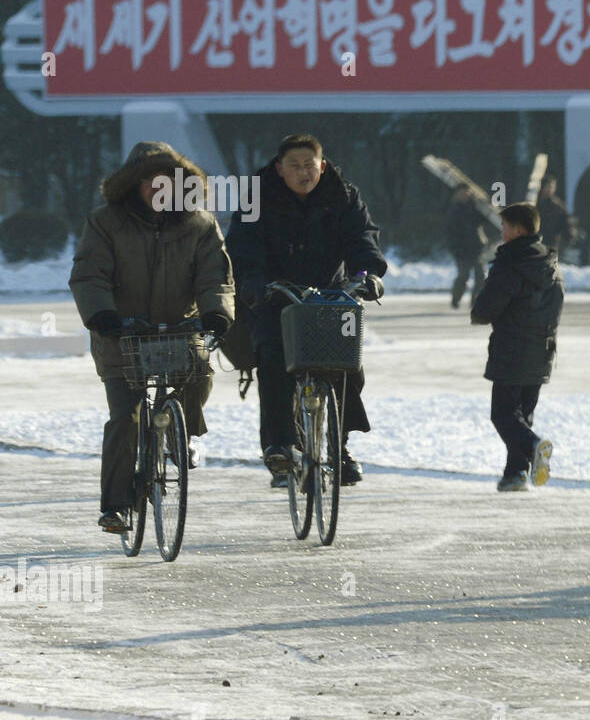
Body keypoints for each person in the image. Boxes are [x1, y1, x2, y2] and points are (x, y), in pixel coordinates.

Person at [69, 141, 235, 533]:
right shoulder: (105, 222)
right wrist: (103, 315)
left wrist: (216, 313)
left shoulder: (200, 223)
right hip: (121, 336)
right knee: (126, 417)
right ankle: (116, 505)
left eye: (168, 180)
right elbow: (90, 274)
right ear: (132, 185)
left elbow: (216, 276)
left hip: (180, 329)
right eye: (149, 181)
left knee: (200, 373)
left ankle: (183, 433)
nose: (159, 188)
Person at [225, 133, 386, 488]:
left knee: (347, 367)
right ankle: (280, 445)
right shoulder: (257, 196)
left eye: (309, 165)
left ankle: (339, 448)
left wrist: (369, 273)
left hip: (331, 295)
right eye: (294, 166)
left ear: (322, 166)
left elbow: (362, 238)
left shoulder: (343, 195)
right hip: (273, 297)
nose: (303, 172)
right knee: (272, 359)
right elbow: (242, 248)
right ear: (280, 169)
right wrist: (253, 284)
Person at [470, 202, 565, 492]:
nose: (502, 233)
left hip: (512, 348)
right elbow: (557, 302)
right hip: (542, 349)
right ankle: (515, 474)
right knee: (522, 415)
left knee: (503, 414)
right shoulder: (549, 263)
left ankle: (533, 445)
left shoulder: (511, 262)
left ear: (518, 230)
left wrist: (480, 311)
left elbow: (487, 308)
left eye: (504, 227)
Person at [446, 182, 491, 308]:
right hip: (461, 250)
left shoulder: (475, 208)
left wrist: (488, 204)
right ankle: (456, 299)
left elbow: (486, 219)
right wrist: (454, 249)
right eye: (462, 192)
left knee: (480, 276)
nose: (465, 195)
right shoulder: (453, 211)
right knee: (463, 276)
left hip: (477, 247)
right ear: (457, 194)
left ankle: (475, 301)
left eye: (467, 192)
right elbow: (450, 232)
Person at [536, 175, 576, 261]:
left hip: (552, 242)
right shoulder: (535, 203)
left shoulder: (558, 206)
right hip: (537, 241)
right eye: (547, 186)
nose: (549, 189)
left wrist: (570, 235)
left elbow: (566, 223)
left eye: (552, 187)